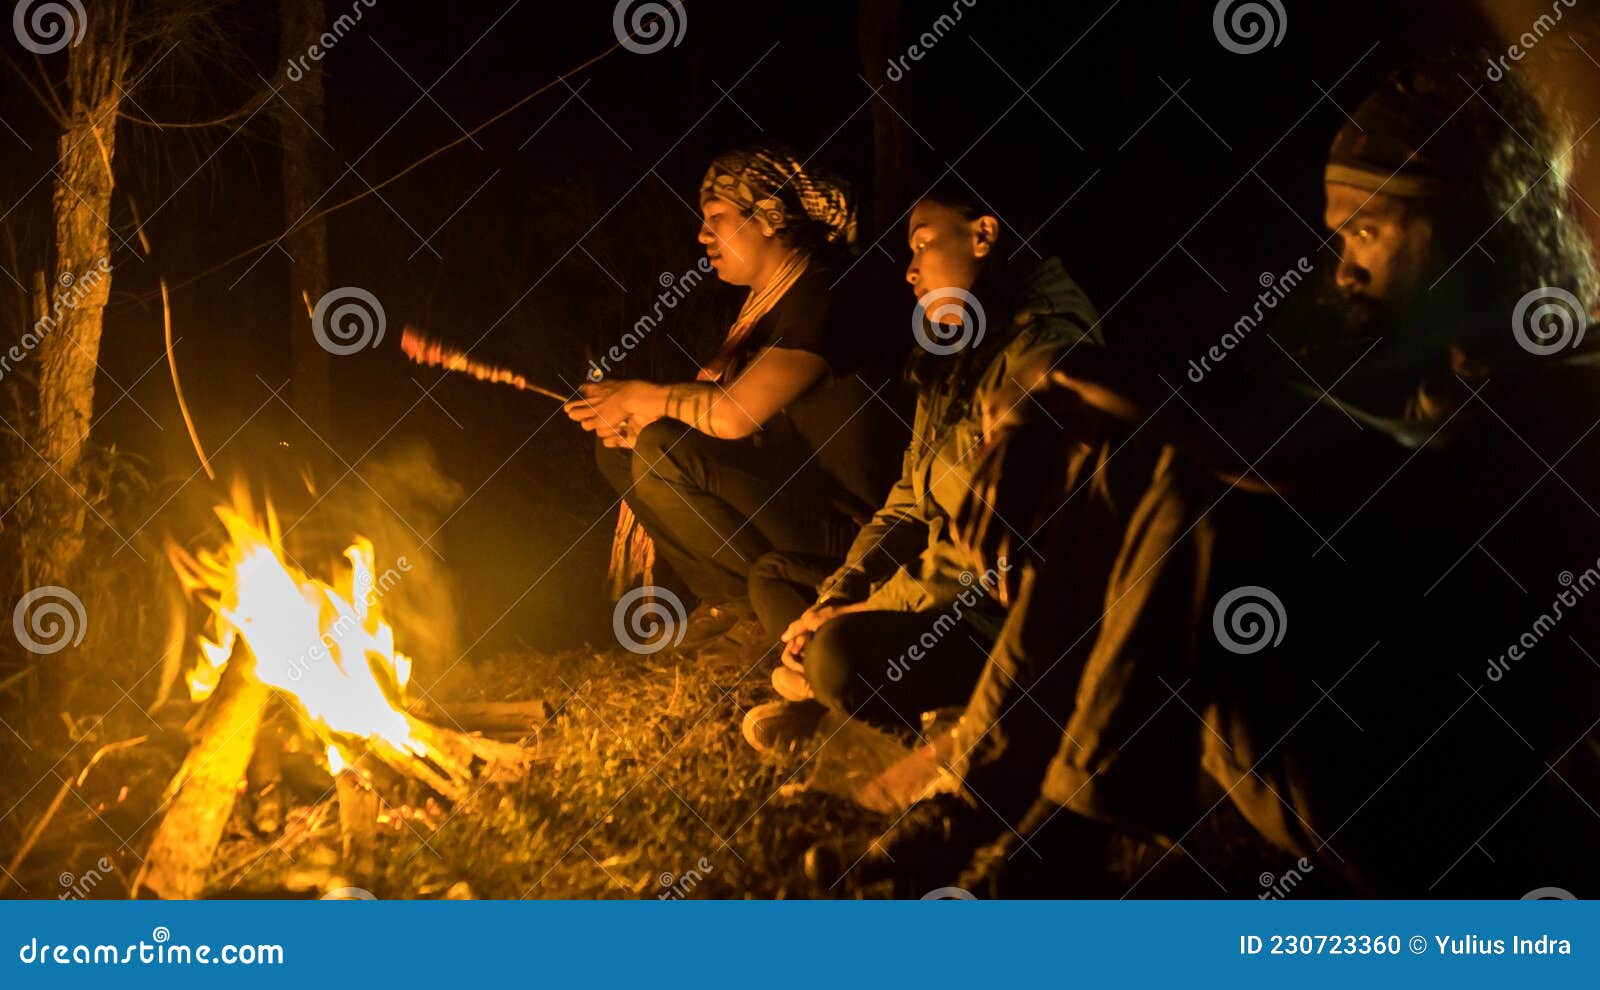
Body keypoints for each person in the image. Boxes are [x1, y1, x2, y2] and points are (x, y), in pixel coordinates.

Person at [808, 55, 1600, 897]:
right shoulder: (1435, 375)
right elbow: (1277, 428)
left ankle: (1052, 852)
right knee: (1154, 461)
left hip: (1459, 815)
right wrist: (1060, 402)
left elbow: (1339, 462)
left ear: (1478, 221)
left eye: (1365, 230)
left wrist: (1066, 382)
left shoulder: (1571, 386)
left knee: (1204, 492)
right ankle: (997, 814)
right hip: (1327, 752)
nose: (1341, 269)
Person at [741, 179, 1102, 753]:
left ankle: (879, 715)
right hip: (935, 596)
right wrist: (840, 593)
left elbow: (991, 551)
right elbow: (909, 501)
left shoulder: (1045, 352)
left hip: (1008, 620)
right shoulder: (957, 350)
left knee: (837, 653)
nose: (910, 269)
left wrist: (860, 613)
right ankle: (848, 702)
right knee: (778, 579)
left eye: (923, 244)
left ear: (983, 235)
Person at [565, 147, 906, 643]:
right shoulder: (758, 315)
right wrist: (632, 416)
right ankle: (730, 603)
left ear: (769, 217)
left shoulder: (824, 295)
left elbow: (735, 417)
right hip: (799, 502)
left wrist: (642, 397)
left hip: (852, 532)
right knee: (624, 446)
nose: (703, 235)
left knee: (664, 447)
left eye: (717, 218)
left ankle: (758, 609)